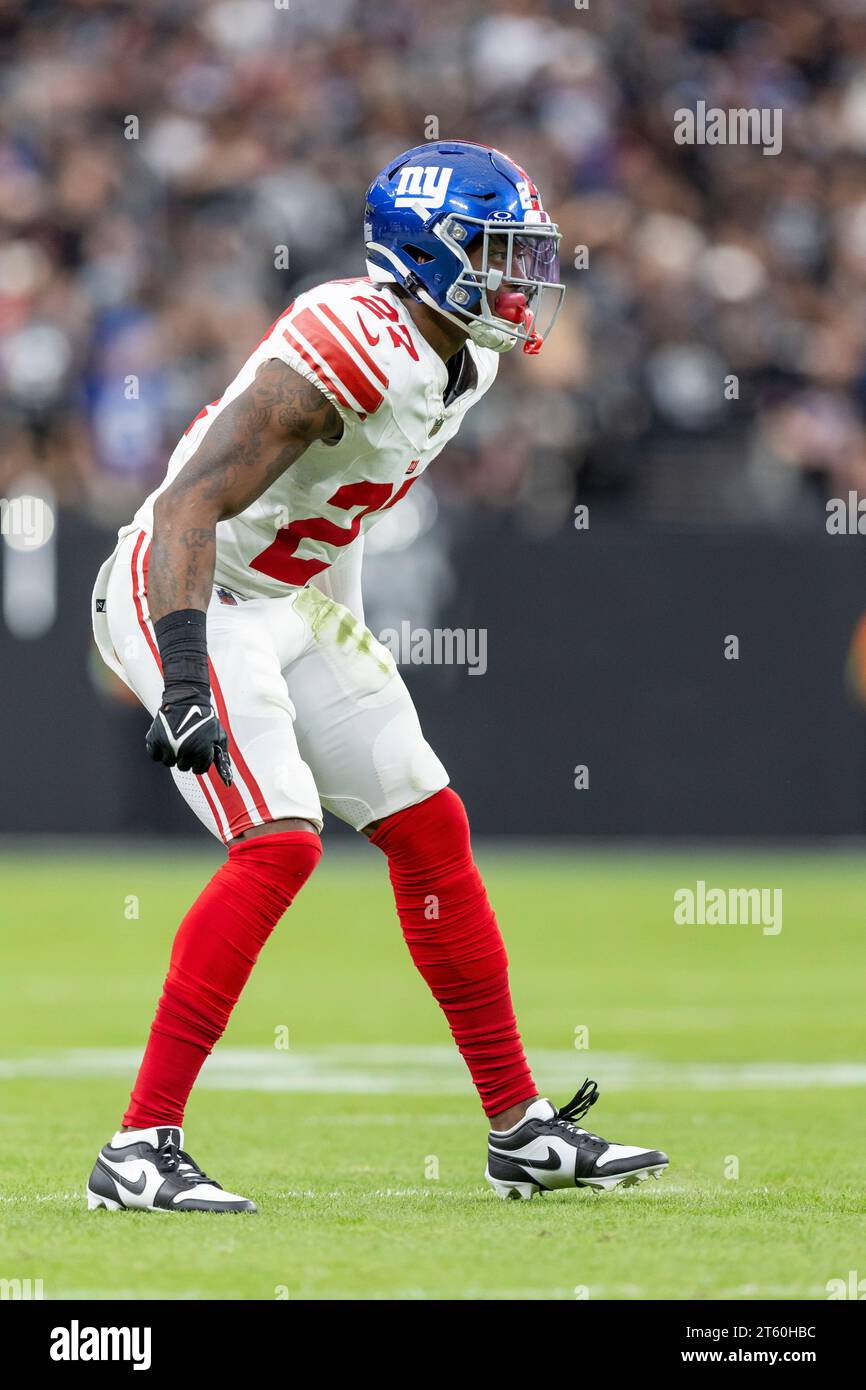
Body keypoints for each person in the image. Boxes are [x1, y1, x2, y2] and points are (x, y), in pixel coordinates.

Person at [88, 140, 668, 1212]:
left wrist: (345, 637)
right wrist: (176, 677)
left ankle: (518, 1131)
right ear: (426, 256)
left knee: (427, 822)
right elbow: (184, 510)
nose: (518, 280)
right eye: (495, 254)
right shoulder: (349, 340)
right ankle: (137, 1148)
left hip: (283, 601)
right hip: (190, 588)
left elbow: (339, 502)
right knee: (278, 842)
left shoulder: (466, 354)